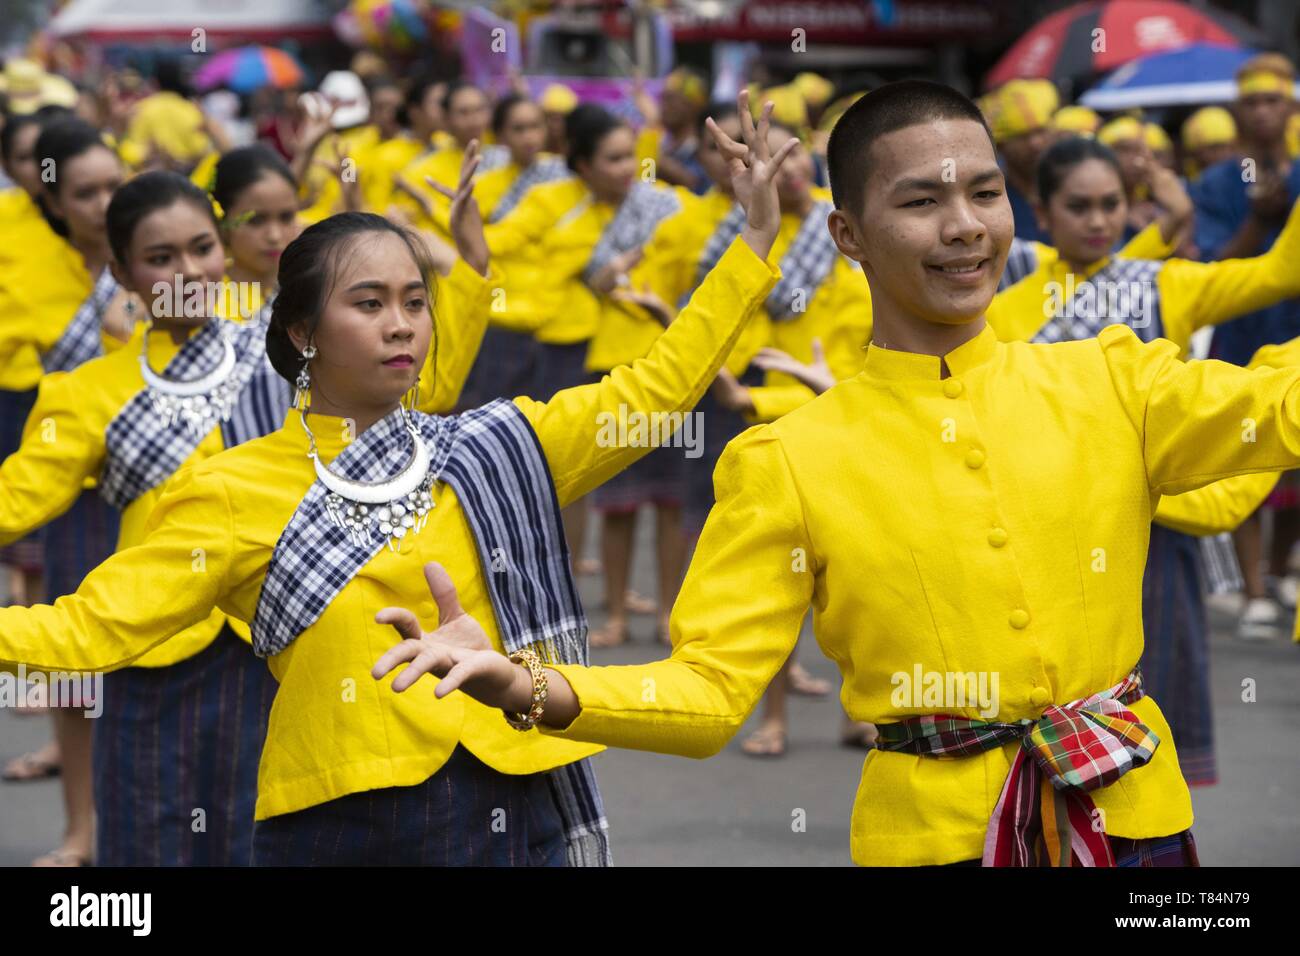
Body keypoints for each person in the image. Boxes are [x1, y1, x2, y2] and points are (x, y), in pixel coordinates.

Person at [385, 79, 1300, 868]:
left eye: (986, 193)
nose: (965, 227)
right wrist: (526, 683)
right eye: (922, 204)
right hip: (932, 839)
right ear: (848, 235)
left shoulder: (1111, 377)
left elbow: (1278, 408)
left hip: (1134, 814)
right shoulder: (789, 456)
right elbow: (709, 690)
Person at [0, 92, 795, 867]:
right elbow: (88, 628)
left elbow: (655, 391)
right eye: (370, 302)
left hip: (518, 792)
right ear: (304, 331)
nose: (401, 323)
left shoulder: (492, 446)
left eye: (415, 301)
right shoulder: (235, 489)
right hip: (344, 819)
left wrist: (755, 239)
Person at [1192, 53, 1300, 638]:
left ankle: (1281, 569)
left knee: (1296, 466)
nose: (1263, 112)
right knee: (1247, 452)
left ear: (1291, 108)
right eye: (1253, 102)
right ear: (1238, 112)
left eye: (1274, 100)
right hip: (1242, 337)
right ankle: (1253, 588)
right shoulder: (1217, 182)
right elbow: (1209, 270)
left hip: (1296, 331)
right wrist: (1260, 223)